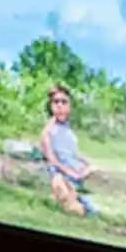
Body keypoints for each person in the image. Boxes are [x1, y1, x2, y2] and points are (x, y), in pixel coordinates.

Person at [39, 84, 99, 216]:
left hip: (74, 173)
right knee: (75, 206)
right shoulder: (48, 131)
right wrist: (72, 173)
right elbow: (52, 159)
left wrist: (87, 163)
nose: (60, 105)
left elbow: (74, 154)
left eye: (64, 102)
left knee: (93, 211)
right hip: (61, 174)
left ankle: (79, 197)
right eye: (56, 102)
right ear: (50, 106)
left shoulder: (68, 131)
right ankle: (72, 199)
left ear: (69, 107)